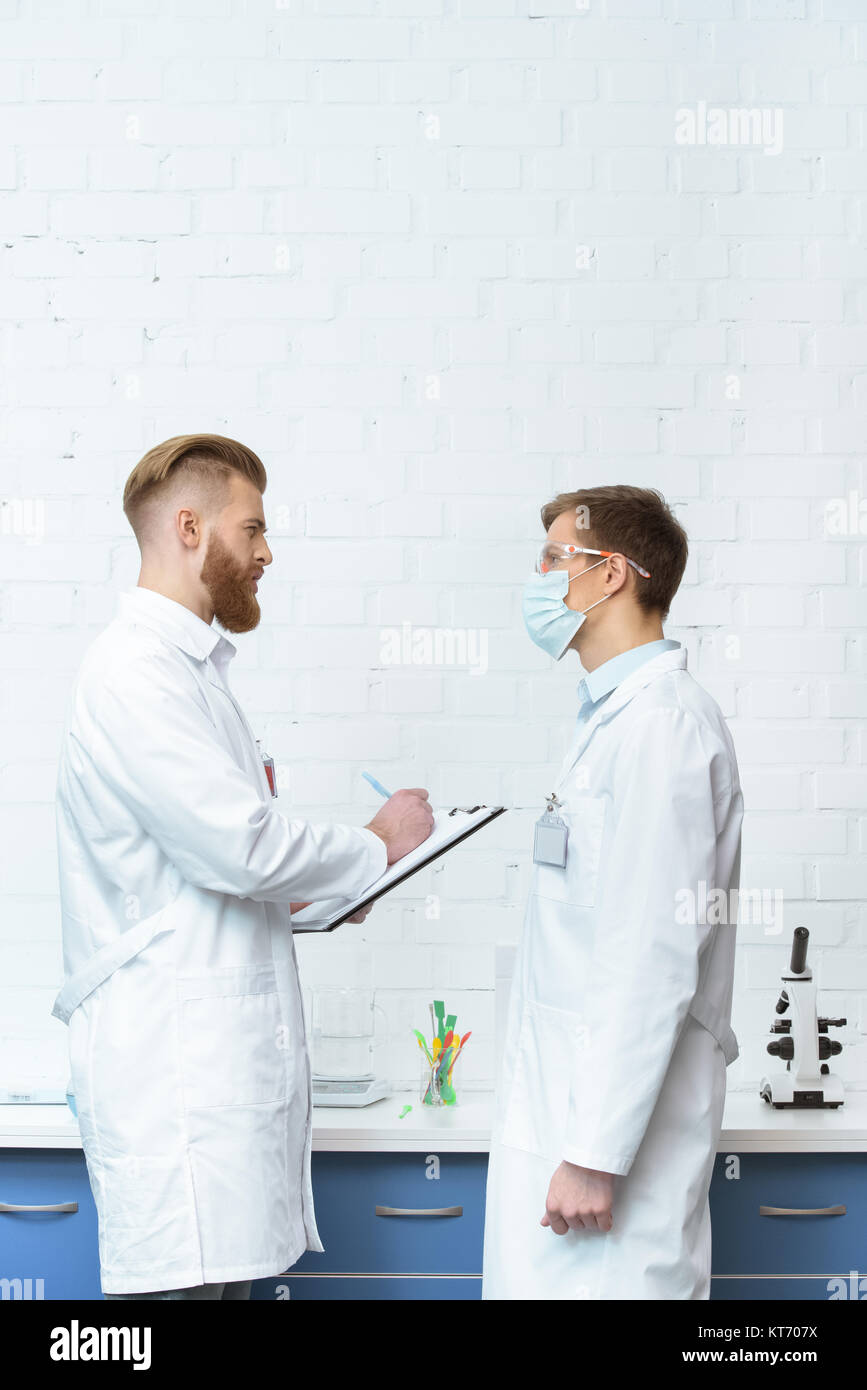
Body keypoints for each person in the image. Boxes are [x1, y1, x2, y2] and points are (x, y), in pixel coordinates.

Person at [52, 434, 433, 1300]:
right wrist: (375, 843)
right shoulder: (133, 673)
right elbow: (240, 846)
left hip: (212, 1097)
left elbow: (198, 877)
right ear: (189, 527)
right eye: (252, 528)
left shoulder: (189, 672)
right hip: (175, 1091)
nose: (265, 554)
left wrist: (317, 897)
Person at [482, 485, 743, 1300]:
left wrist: (594, 1154)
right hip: (566, 1134)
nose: (540, 577)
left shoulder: (661, 728)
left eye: (555, 558)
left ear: (611, 576)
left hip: (606, 1169)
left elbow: (650, 958)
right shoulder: (614, 721)